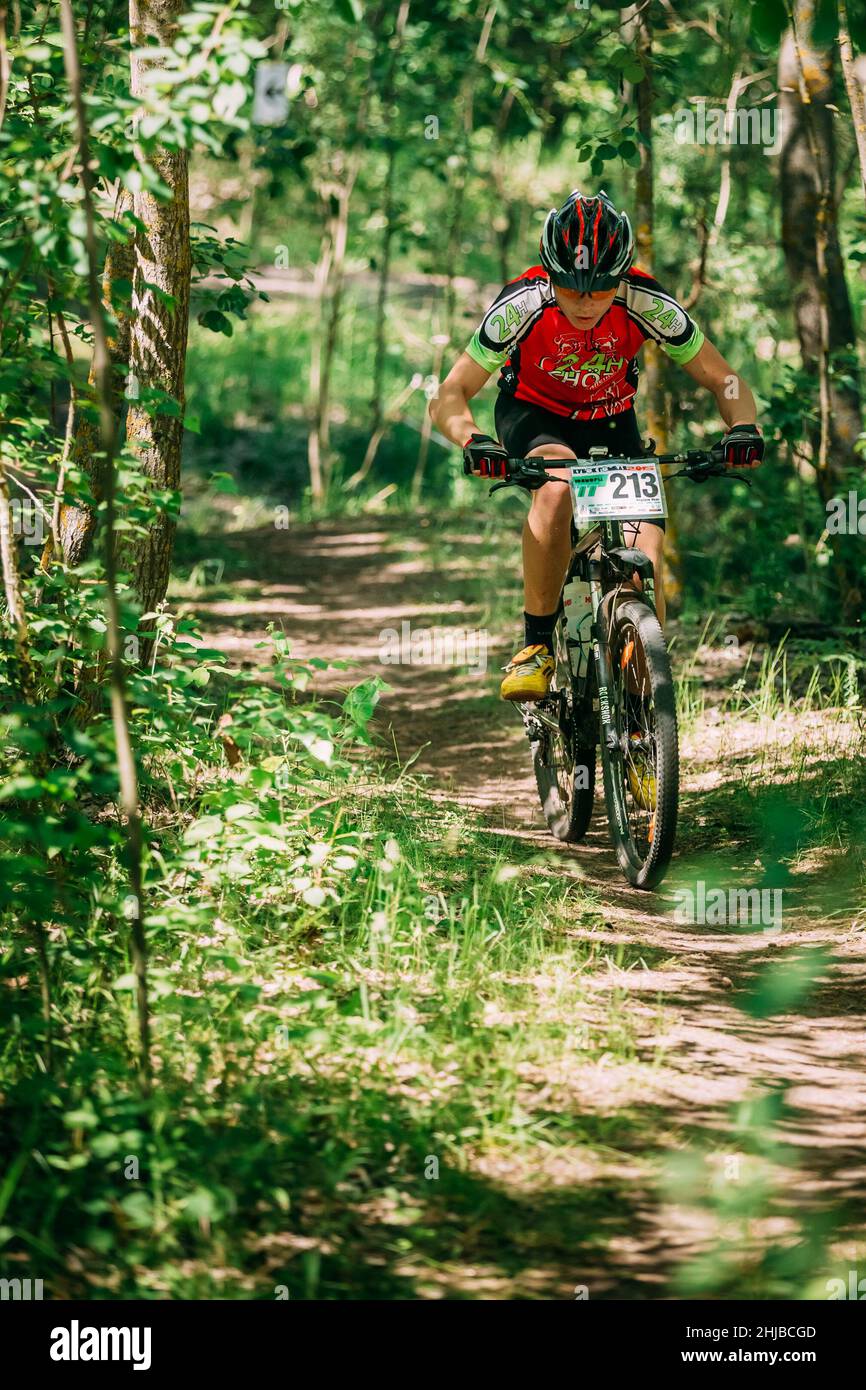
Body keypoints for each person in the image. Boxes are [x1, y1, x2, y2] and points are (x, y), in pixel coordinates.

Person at [428, 189, 763, 702]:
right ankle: (536, 646)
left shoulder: (647, 302)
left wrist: (743, 427)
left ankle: (638, 712)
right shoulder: (521, 304)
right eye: (570, 287)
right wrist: (473, 439)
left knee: (641, 566)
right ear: (549, 275)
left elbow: (726, 381)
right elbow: (449, 393)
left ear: (621, 277)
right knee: (557, 487)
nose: (585, 301)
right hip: (534, 417)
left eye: (600, 289)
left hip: (611, 422)